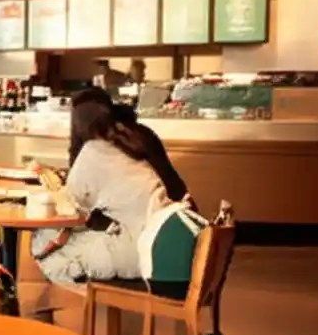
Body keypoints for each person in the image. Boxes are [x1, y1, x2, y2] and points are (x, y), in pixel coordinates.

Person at [34, 98, 205, 298]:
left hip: (144, 255)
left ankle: (71, 307)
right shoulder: (134, 145)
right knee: (71, 244)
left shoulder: (93, 150)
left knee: (47, 253)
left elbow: (72, 206)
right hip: (165, 242)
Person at [71, 87, 191, 208]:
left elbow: (79, 195)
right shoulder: (139, 133)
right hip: (177, 208)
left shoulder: (96, 148)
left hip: (153, 213)